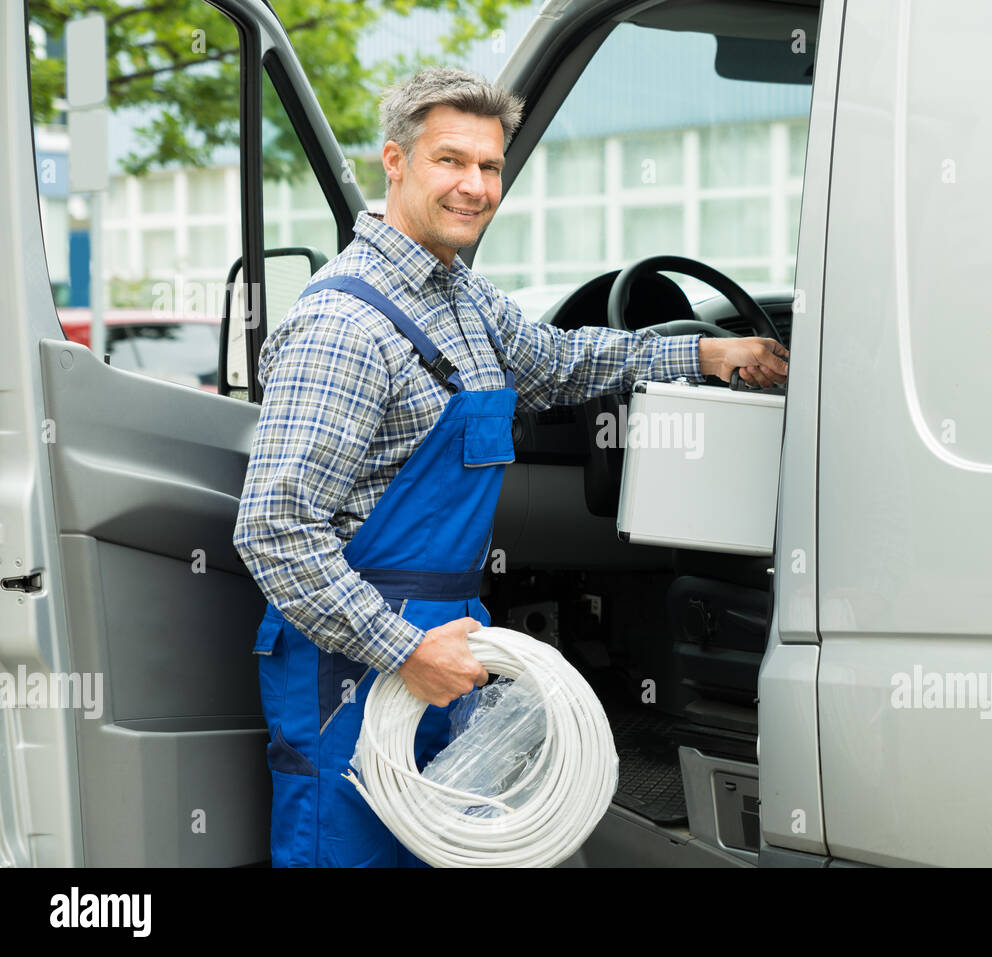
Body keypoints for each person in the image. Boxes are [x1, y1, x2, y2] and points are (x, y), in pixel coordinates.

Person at [232, 66, 789, 867]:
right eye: (450, 161)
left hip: (451, 633)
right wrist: (405, 650)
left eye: (490, 166)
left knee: (453, 846)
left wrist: (704, 351)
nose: (475, 185)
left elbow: (559, 364)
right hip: (351, 669)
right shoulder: (342, 323)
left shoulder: (460, 295)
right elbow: (275, 529)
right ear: (395, 162)